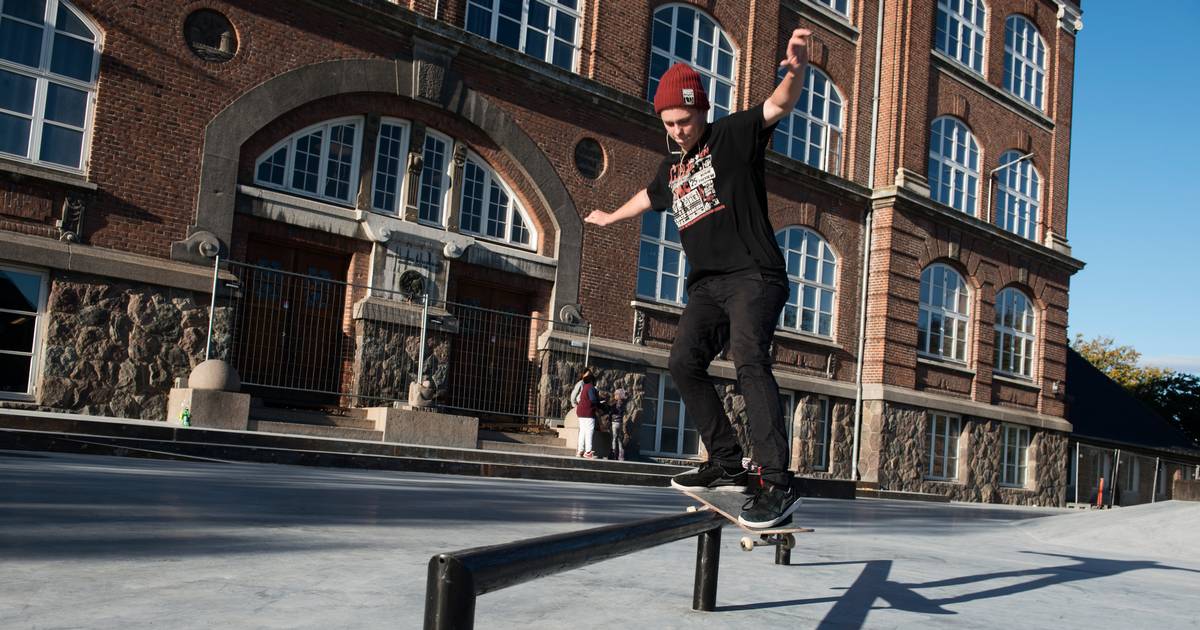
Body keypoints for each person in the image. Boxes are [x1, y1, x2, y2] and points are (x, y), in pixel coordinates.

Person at [584, 29, 812, 528]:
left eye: (685, 121)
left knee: (750, 361)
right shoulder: (673, 168)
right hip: (708, 285)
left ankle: (776, 482)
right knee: (684, 362)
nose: (679, 131)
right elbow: (648, 197)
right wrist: (611, 217)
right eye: (669, 124)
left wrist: (794, 71)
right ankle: (727, 462)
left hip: (755, 274)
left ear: (702, 112)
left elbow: (778, 105)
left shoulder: (731, 136)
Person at [573, 368, 600, 458]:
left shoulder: (584, 387)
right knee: (589, 431)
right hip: (588, 412)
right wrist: (599, 402)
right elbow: (592, 399)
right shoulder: (591, 388)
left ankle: (580, 451)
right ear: (592, 380)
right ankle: (588, 452)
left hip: (580, 412)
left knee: (582, 432)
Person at [608, 388, 629, 461]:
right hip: (620, 423)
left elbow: (611, 414)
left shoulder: (614, 405)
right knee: (620, 439)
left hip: (614, 423)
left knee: (614, 438)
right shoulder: (623, 405)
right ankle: (621, 455)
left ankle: (613, 454)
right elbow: (625, 414)